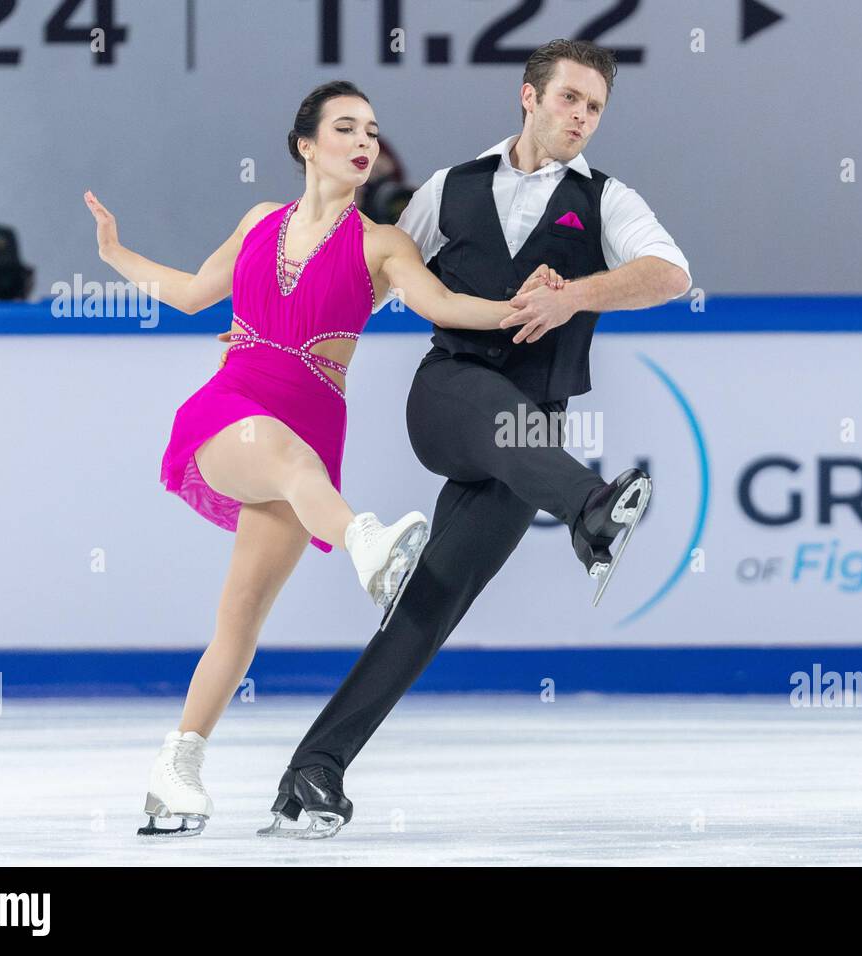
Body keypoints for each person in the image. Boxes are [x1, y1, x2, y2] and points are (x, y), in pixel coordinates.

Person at [82, 79, 568, 837]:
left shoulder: (384, 244)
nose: (364, 140)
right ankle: (368, 543)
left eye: (372, 130)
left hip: (309, 426)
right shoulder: (258, 221)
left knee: (240, 617)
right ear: (307, 144)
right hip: (231, 410)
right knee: (285, 461)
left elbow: (445, 307)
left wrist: (525, 306)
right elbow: (187, 295)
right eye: (346, 127)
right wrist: (114, 253)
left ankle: (174, 769)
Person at [257, 39, 692, 839]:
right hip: (451, 399)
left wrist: (577, 297)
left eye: (594, 107)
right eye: (569, 99)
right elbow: (372, 278)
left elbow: (671, 274)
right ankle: (590, 512)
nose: (581, 118)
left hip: (534, 433)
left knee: (431, 603)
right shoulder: (448, 189)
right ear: (530, 97)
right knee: (499, 417)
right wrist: (279, 344)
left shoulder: (607, 201)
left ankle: (312, 771)